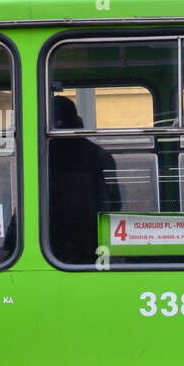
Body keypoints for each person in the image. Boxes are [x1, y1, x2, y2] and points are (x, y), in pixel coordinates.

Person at [49, 95, 117, 265]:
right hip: (94, 243)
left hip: (55, 242)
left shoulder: (45, 156)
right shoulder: (100, 155)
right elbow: (114, 203)